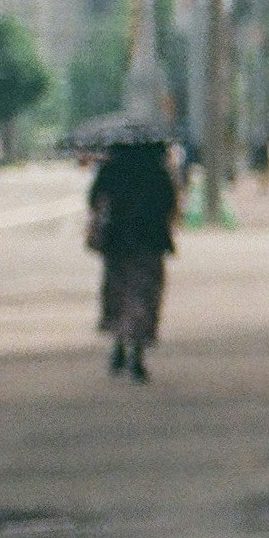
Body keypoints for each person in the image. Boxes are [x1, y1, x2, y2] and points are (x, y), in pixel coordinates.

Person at [89, 135, 179, 381]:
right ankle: (136, 350)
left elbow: (96, 201)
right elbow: (171, 206)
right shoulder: (158, 172)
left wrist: (94, 230)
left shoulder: (112, 169)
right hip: (150, 240)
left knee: (118, 290)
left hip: (117, 239)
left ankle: (119, 343)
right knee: (144, 294)